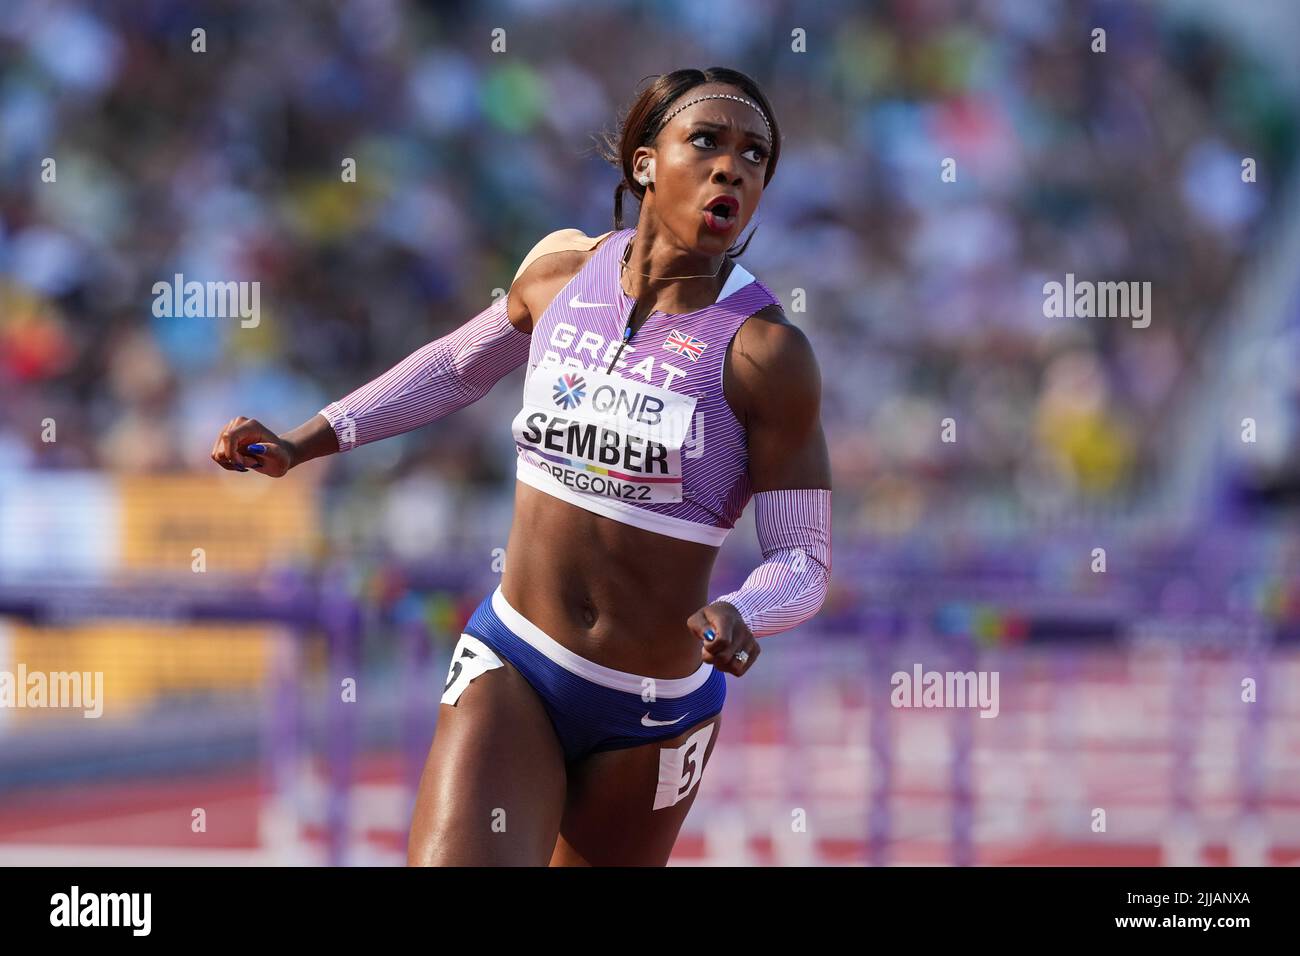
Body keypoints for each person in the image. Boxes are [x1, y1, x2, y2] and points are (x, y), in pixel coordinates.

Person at [209, 67, 832, 866]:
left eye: (755, 157)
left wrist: (747, 608)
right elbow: (454, 369)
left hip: (656, 712)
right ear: (644, 162)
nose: (731, 168)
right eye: (706, 142)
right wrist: (308, 440)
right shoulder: (559, 272)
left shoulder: (767, 353)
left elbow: (804, 560)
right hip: (517, 662)